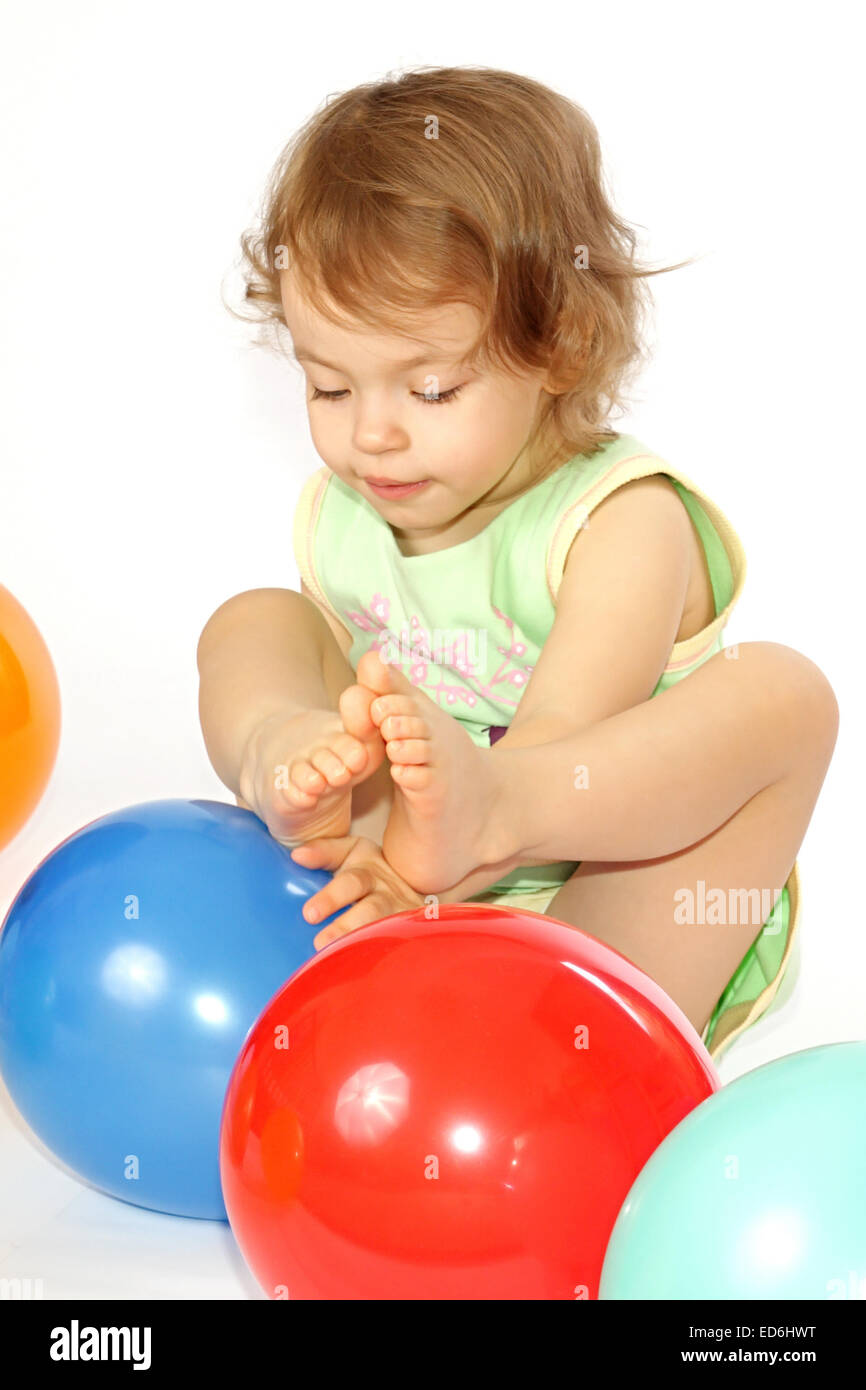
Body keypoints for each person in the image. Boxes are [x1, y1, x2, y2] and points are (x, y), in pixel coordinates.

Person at [197, 67, 838, 1062]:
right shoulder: (347, 515)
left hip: (604, 924)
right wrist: (340, 773)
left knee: (783, 693)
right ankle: (274, 757)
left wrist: (477, 822)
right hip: (389, 895)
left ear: (561, 348)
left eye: (432, 389)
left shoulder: (619, 523)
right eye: (328, 386)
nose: (371, 435)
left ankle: (486, 824)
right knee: (252, 617)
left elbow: (565, 743)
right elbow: (333, 679)